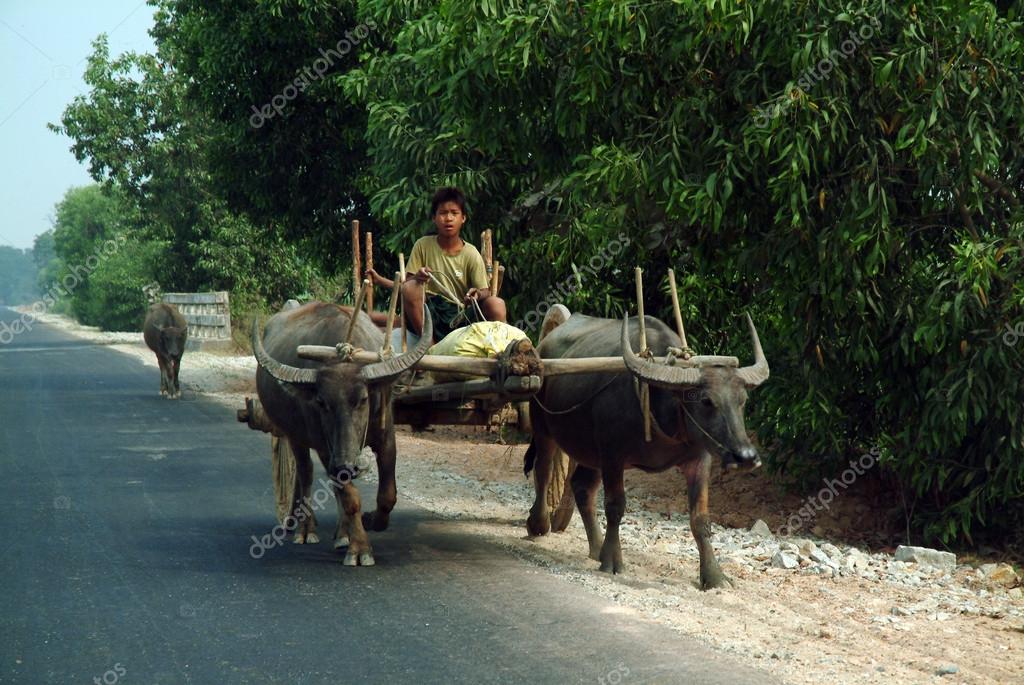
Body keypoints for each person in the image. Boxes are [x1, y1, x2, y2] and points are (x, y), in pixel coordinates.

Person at [366, 187, 506, 342]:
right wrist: (418, 278)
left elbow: (485, 291)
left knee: (496, 303)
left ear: (463, 218)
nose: (448, 218)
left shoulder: (471, 253)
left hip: (460, 318)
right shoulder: (423, 245)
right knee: (409, 290)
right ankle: (429, 345)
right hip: (428, 317)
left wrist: (477, 294)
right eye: (443, 213)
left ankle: (497, 347)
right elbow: (406, 287)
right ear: (434, 218)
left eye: (454, 213)